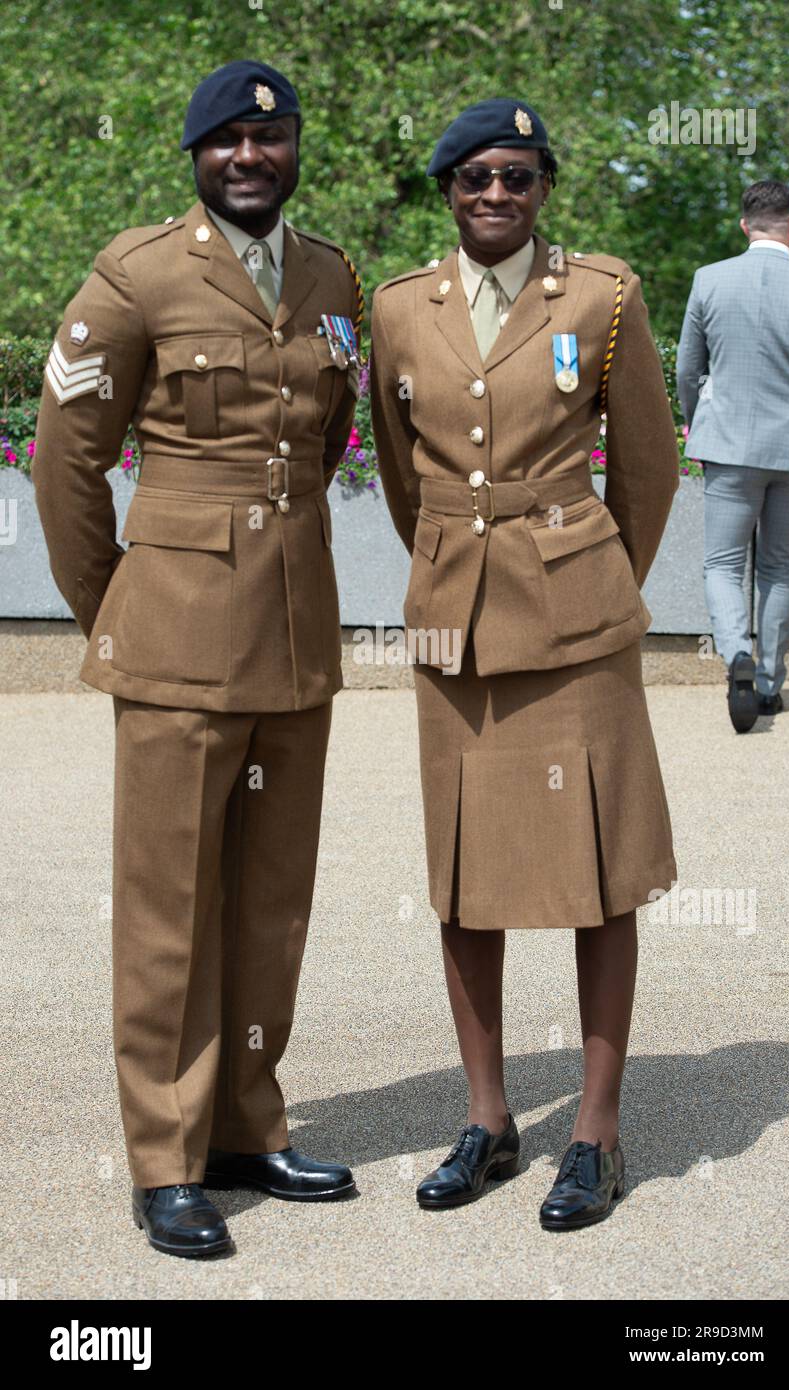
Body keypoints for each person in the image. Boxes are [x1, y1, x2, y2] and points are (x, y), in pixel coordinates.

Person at [32, 60, 363, 1258]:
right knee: (170, 907)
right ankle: (166, 1157)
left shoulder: (330, 275)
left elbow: (321, 443)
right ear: (195, 155)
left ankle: (245, 1122)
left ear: (291, 155)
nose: (248, 158)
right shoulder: (137, 273)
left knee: (271, 905)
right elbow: (63, 459)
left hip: (291, 635)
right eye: (226, 141)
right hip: (175, 639)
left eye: (268, 142)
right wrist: (114, 610)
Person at [369, 98, 679, 1230]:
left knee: (599, 868)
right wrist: (459, 560)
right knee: (462, 876)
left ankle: (594, 1131)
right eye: (474, 178)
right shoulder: (401, 307)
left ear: (544, 186)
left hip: (576, 616)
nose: (495, 195)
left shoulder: (601, 297)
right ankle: (489, 1118)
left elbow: (648, 464)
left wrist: (589, 576)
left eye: (517, 177)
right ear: (446, 189)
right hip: (454, 614)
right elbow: (404, 480)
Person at [677, 180, 789, 733]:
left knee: (722, 564)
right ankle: (768, 684)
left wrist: (698, 422)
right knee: (779, 566)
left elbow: (688, 368)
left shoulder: (709, 280)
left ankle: (735, 652)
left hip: (729, 447)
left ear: (743, 225)